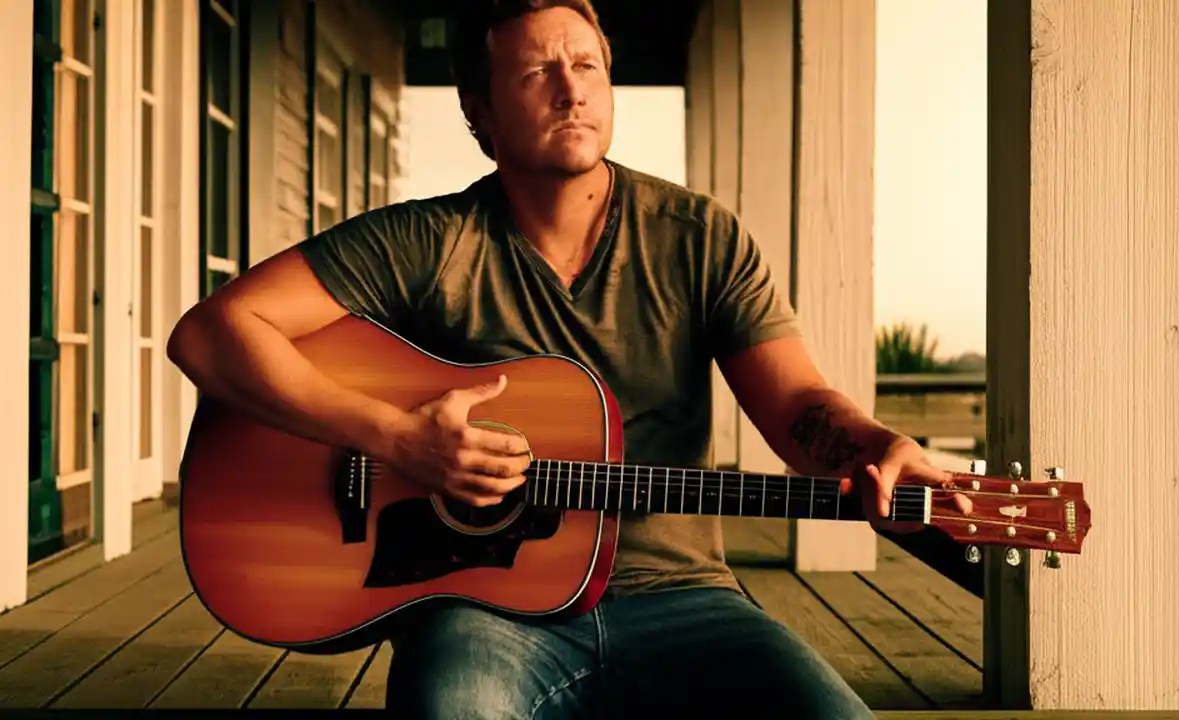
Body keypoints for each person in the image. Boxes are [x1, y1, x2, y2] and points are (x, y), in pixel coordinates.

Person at [167, 1, 954, 716]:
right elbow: (212, 333)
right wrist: (394, 437)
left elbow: (798, 408)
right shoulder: (427, 241)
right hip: (485, 613)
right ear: (482, 113)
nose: (570, 90)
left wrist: (878, 448)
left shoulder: (698, 237)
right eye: (537, 71)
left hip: (683, 598)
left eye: (585, 66)